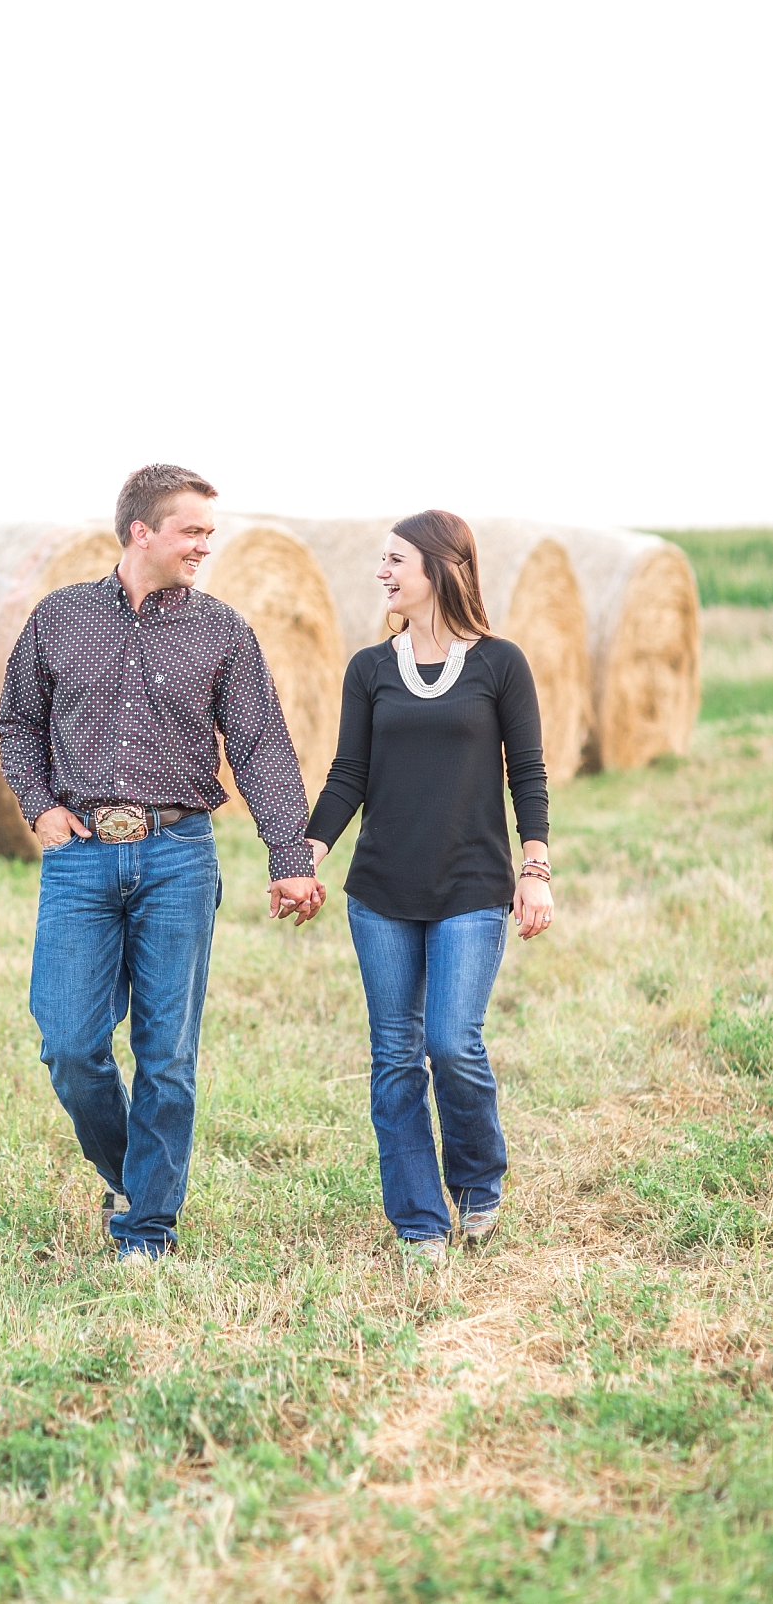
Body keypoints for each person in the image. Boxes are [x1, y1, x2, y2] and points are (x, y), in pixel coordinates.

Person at [0, 464, 324, 1266]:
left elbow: (261, 749)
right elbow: (16, 723)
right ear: (141, 532)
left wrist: (289, 855)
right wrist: (40, 806)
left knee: (167, 1055)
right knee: (69, 1047)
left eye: (210, 533)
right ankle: (133, 1176)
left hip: (179, 856)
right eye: (193, 531)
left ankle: (147, 1230)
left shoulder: (223, 632)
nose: (205, 546)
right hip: (78, 861)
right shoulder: (59, 619)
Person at [305, 510, 553, 1267]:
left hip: (472, 886)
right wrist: (306, 852)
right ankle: (417, 1218)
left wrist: (535, 869)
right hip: (379, 890)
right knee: (392, 1056)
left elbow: (529, 775)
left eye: (395, 560)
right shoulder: (368, 668)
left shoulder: (500, 664)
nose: (382, 572)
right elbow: (348, 774)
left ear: (442, 567)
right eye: (380, 560)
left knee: (452, 1044)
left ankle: (477, 1180)